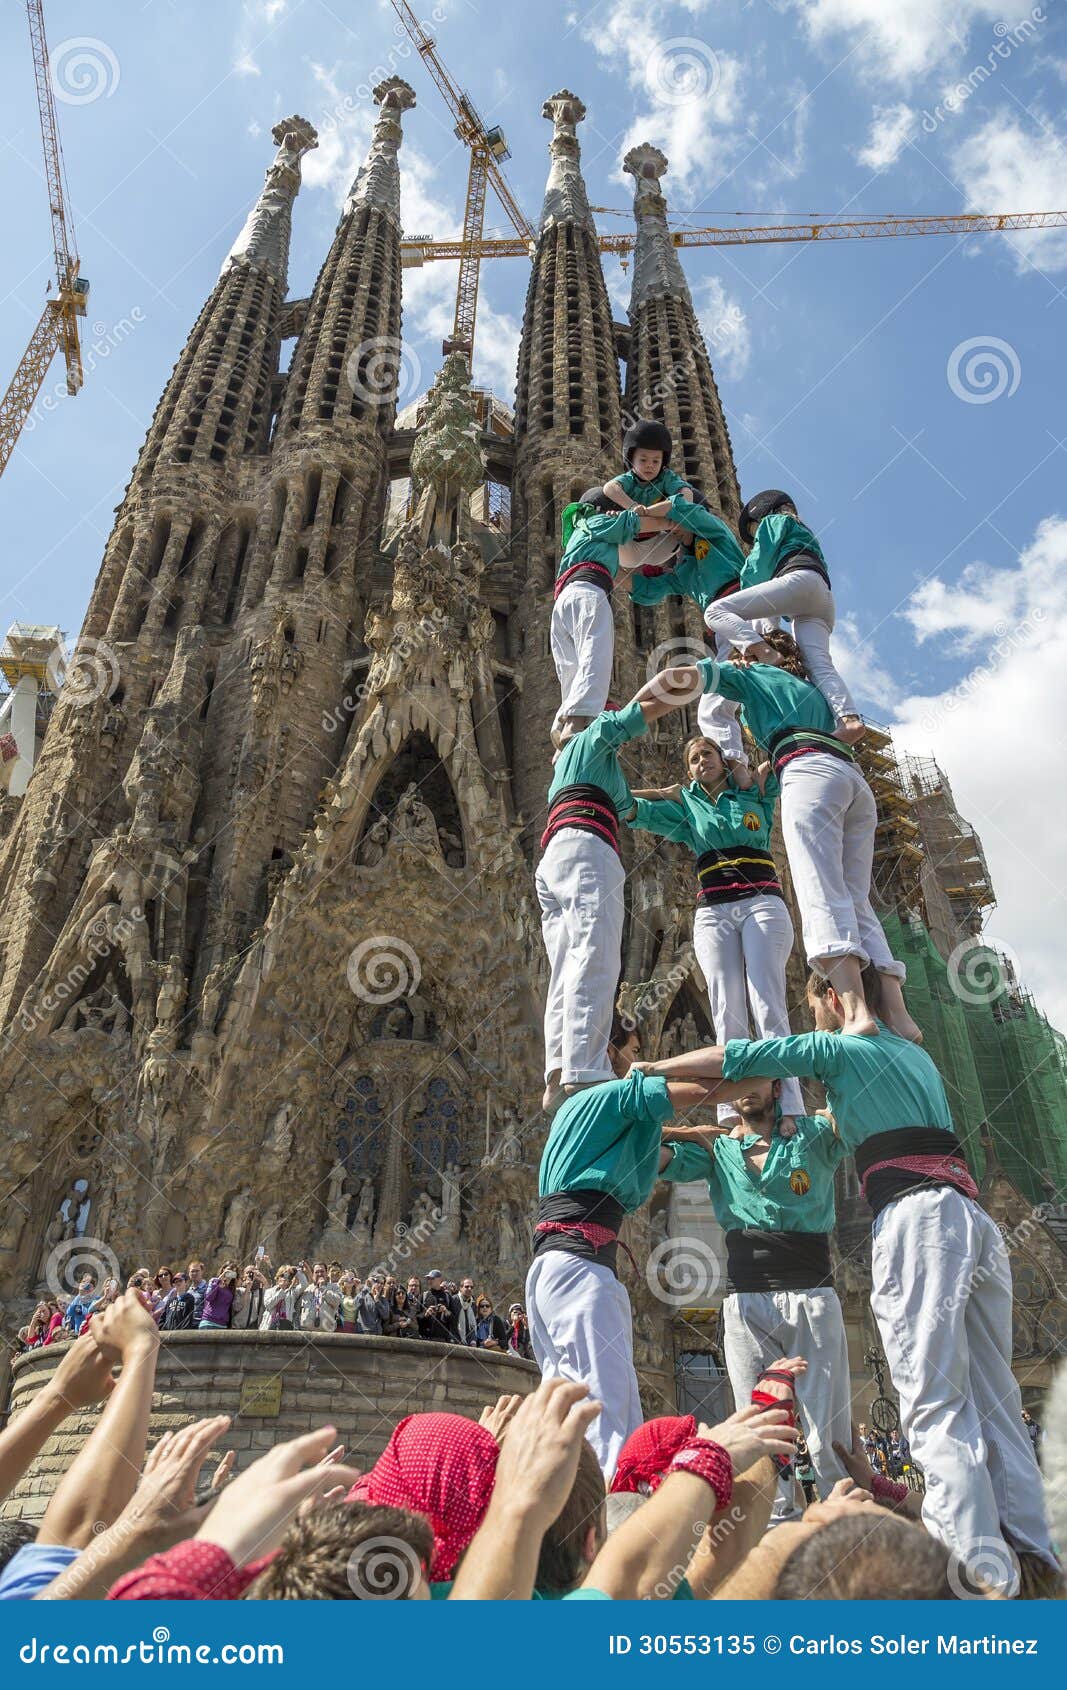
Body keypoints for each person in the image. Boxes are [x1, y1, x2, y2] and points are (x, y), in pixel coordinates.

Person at [634, 966, 1060, 1596]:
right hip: (963, 1216)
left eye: (814, 1010)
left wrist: (644, 1074)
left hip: (900, 1230)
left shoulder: (832, 1062)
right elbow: (679, 1142)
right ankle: (1033, 1568)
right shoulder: (910, 1054)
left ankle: (966, 1583)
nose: (812, 1027)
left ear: (830, 1000)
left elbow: (737, 1058)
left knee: (934, 1406)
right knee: (993, 1401)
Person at [637, 635, 919, 1040]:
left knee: (820, 891)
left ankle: (855, 1010)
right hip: (849, 777)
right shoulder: (815, 687)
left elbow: (683, 679)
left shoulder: (752, 676)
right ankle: (898, 1012)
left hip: (809, 774)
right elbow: (851, 729)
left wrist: (629, 716)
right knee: (855, 898)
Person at [526, 1016, 735, 1478]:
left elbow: (669, 1159)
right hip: (581, 1269)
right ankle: (616, 1522)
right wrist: (761, 1074)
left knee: (565, 1406)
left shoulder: (593, 1121)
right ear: (607, 1053)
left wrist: (714, 1142)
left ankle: (567, 1516)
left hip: (555, 1269)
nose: (636, 1064)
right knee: (607, 1411)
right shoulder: (607, 1095)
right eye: (632, 1051)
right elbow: (710, 1087)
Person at [659, 1076, 853, 1520]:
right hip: (747, 1297)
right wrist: (694, 1133)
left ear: (777, 1086)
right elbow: (647, 1147)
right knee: (759, 1426)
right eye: (734, 1083)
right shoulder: (718, 1152)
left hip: (811, 1290)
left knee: (828, 1430)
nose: (745, 1089)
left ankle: (846, 1529)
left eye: (755, 1078)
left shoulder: (814, 1135)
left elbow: (854, 1102)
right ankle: (773, 1535)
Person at [629, 735, 802, 1125]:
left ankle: (790, 1106)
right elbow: (629, 808)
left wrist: (745, 767)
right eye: (693, 759)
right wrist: (665, 792)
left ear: (723, 760)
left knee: (767, 1001)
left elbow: (779, 759)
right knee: (726, 1007)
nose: (701, 761)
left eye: (707, 753)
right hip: (714, 910)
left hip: (761, 901)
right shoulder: (688, 810)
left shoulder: (752, 794)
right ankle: (729, 1110)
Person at [537, 678, 685, 1115]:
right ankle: (585, 1074)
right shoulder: (591, 737)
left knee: (565, 964)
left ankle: (557, 1071)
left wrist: (671, 796)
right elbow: (637, 715)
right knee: (596, 955)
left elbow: (630, 807)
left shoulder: (580, 767)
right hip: (587, 850)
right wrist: (686, 684)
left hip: (555, 859)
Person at [700, 489, 864, 745]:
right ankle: (849, 722)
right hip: (820, 597)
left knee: (716, 611)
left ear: (763, 513)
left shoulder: (775, 521)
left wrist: (748, 584)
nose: (755, 538)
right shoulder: (803, 530)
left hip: (798, 580)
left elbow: (758, 564)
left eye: (753, 533)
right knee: (819, 665)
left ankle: (764, 655)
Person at [550, 490, 671, 746]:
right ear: (604, 509)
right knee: (596, 651)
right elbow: (636, 524)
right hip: (588, 592)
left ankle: (563, 727)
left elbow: (628, 567)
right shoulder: (599, 522)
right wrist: (675, 521)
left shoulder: (581, 534)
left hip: (562, 601)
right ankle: (577, 722)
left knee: (571, 666)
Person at [296, 1262, 343, 1334]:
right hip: (306, 1332)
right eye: (317, 1272)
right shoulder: (307, 1288)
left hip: (326, 1332)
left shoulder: (334, 1287)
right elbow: (297, 1309)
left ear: (327, 1273)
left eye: (322, 1271)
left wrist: (323, 1288)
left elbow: (336, 1302)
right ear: (313, 1274)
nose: (319, 1274)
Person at [260, 1263, 307, 1331]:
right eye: (282, 1275)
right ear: (278, 1277)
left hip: (286, 1326)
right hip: (268, 1326)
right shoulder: (269, 1291)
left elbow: (304, 1284)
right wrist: (282, 1290)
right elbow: (268, 1305)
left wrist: (297, 1271)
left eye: (288, 1276)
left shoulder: (293, 1292)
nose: (284, 1278)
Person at [198, 1263, 242, 1330]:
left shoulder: (232, 1288)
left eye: (234, 1271)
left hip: (223, 1325)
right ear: (223, 1269)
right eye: (229, 1270)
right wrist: (218, 1280)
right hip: (209, 1322)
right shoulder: (214, 1281)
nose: (230, 1273)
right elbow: (209, 1297)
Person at [455, 1276, 478, 1346]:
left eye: (471, 1287)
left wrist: (473, 1339)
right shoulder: (454, 1300)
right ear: (461, 1288)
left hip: (469, 1343)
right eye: (467, 1286)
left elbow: (472, 1325)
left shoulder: (473, 1304)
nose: (469, 1289)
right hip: (456, 1341)